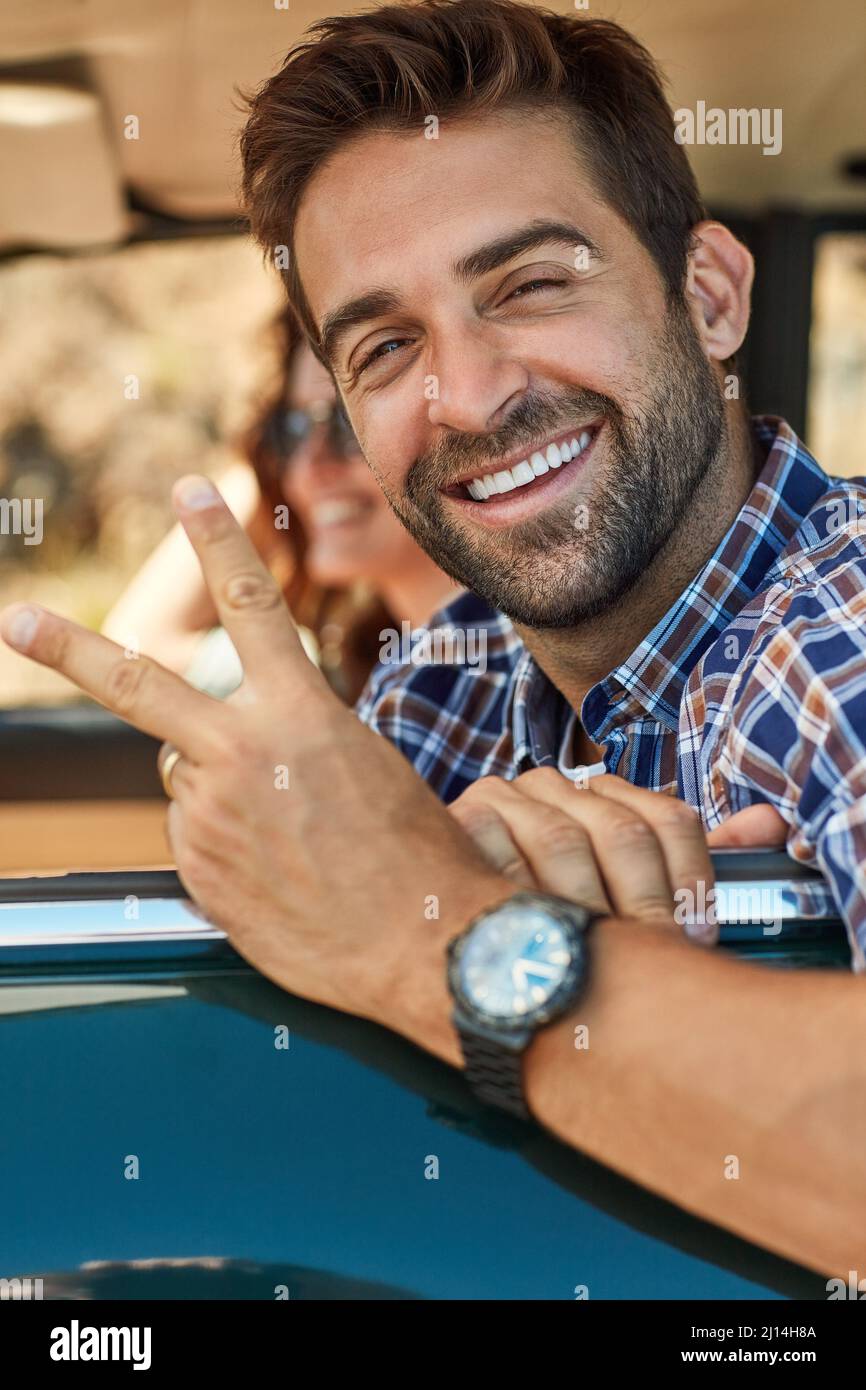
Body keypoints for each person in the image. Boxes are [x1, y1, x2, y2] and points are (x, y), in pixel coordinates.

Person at [4, 0, 865, 1278]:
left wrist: (441, 938)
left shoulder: (836, 631)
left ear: (711, 296)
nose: (465, 395)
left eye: (527, 284)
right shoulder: (444, 681)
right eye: (385, 345)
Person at [102, 306, 462, 703]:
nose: (310, 467)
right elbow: (134, 650)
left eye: (347, 422)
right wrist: (265, 469)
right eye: (292, 430)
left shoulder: (507, 666)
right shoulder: (342, 673)